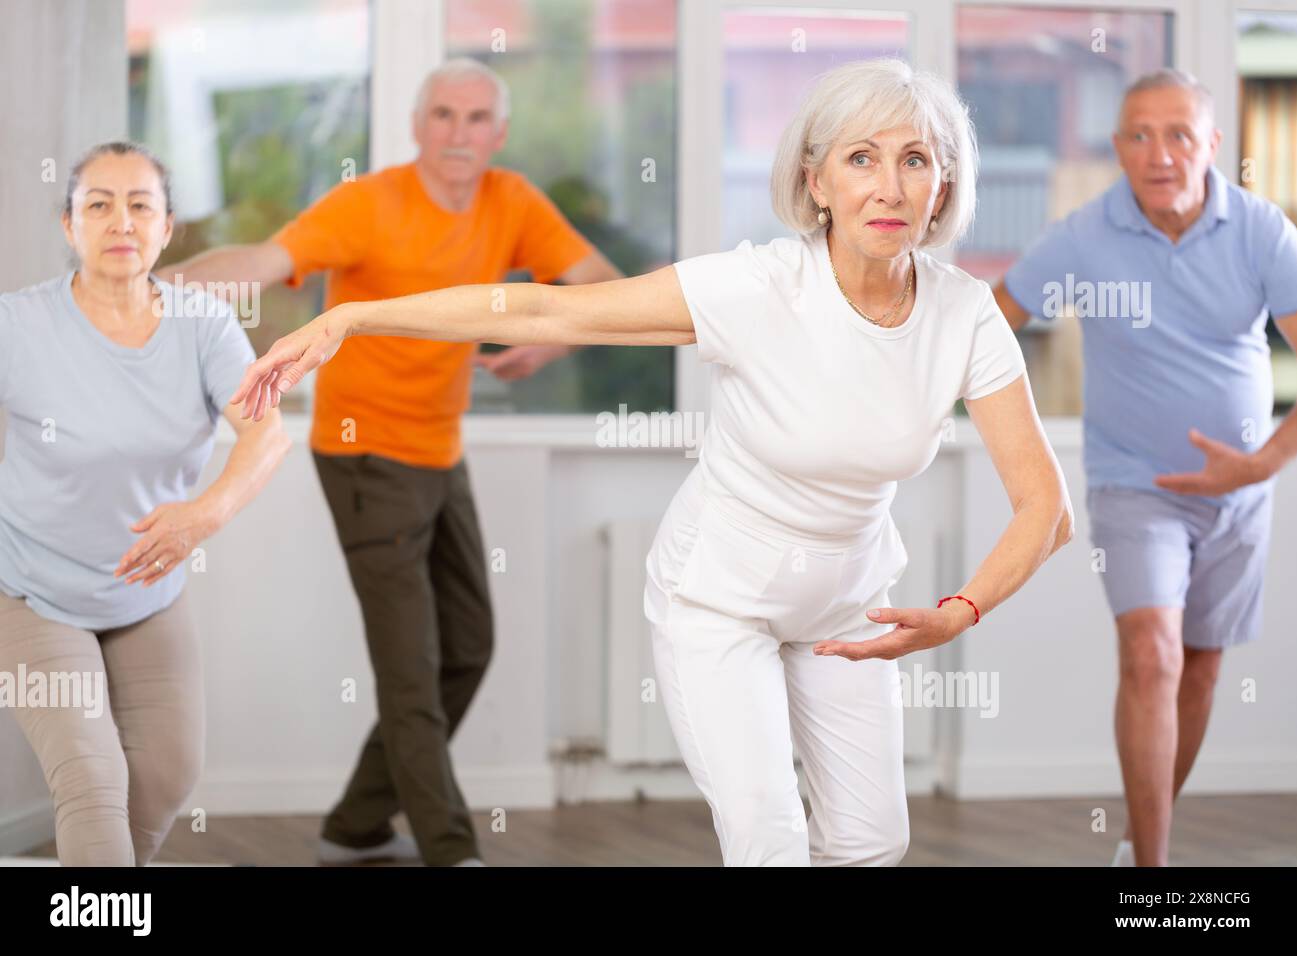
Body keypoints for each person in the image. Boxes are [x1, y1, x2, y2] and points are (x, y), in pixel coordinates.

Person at [229, 58, 1074, 867]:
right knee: (771, 844)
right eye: (862, 158)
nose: (889, 186)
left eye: (915, 160)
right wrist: (356, 318)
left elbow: (1046, 507)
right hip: (719, 600)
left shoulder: (963, 314)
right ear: (818, 183)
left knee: (871, 843)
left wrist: (960, 611)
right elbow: (539, 310)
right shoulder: (757, 290)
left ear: (944, 188)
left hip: (847, 604)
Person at [166, 58, 622, 866]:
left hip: (440, 454)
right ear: (418, 126)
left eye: (476, 118)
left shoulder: (511, 202)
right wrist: (160, 283)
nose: (458, 133)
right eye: (442, 115)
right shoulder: (369, 204)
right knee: (411, 668)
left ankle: (355, 824)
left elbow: (604, 288)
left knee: (469, 647)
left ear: (499, 134)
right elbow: (265, 263)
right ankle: (453, 851)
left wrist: (551, 339)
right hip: (364, 456)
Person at [992, 68, 1297, 867]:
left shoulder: (1263, 233)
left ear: (1212, 145)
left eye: (1178, 134)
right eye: (1138, 134)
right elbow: (992, 326)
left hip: (1241, 493)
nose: (1158, 153)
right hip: (1135, 487)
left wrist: (1261, 462)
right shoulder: (1082, 236)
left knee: (1198, 671)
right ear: (1118, 146)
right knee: (1152, 653)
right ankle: (1153, 880)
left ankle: (1136, 846)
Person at [0, 142, 291, 865]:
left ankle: (95, 905)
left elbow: (266, 434)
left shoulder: (205, 327)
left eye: (140, 205)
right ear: (69, 226)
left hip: (146, 592)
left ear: (167, 229)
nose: (120, 221)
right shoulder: (17, 326)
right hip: (31, 592)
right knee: (93, 783)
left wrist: (205, 514)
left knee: (163, 777)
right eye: (97, 204)